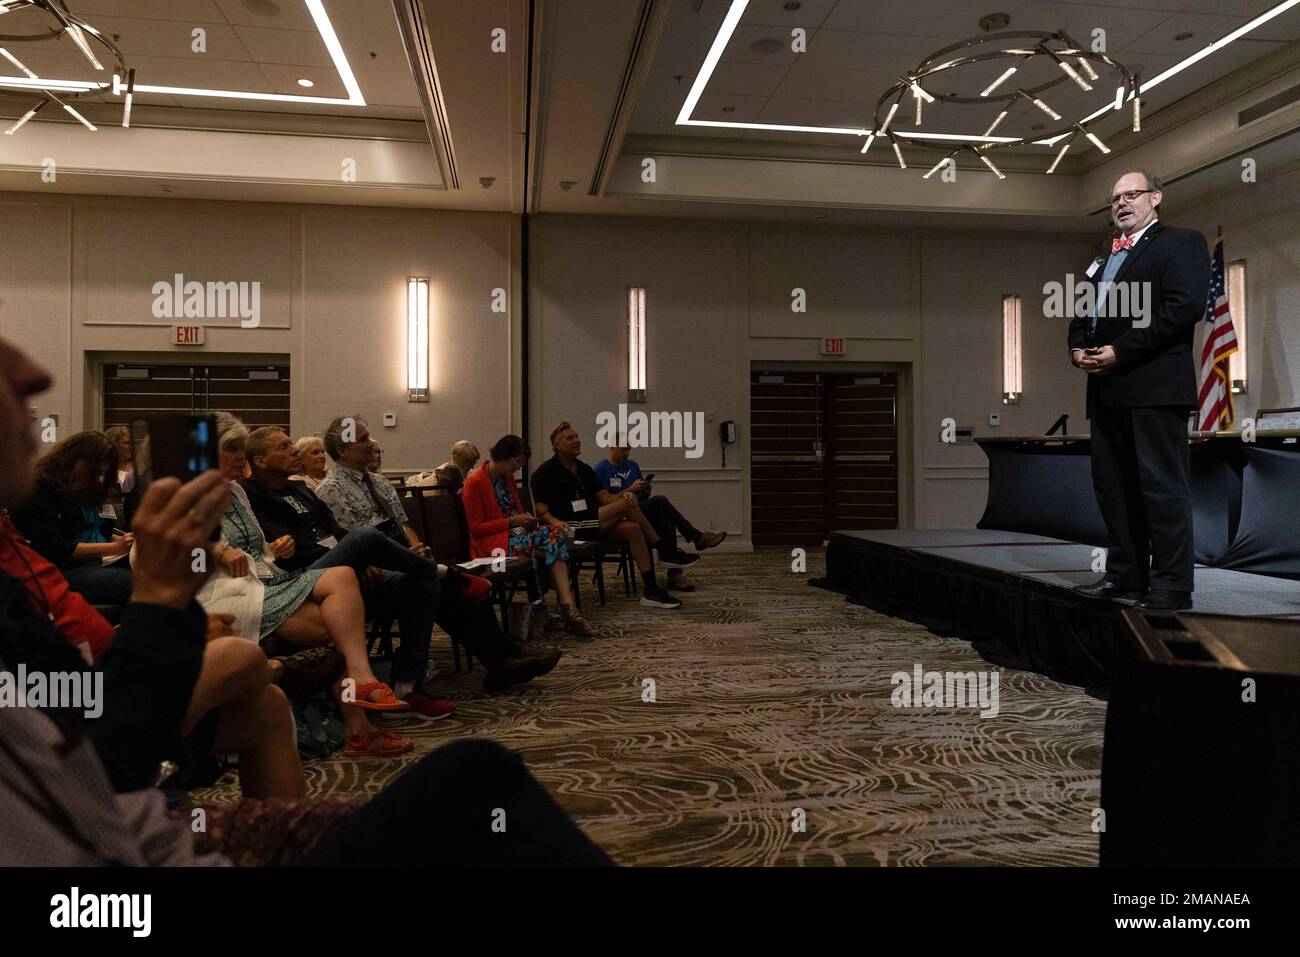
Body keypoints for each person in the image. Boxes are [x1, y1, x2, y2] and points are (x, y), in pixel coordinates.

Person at [0, 336, 610, 868]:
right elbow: (94, 763)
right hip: (132, 845)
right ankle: (386, 666)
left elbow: (78, 734)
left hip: (145, 807)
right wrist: (163, 601)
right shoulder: (263, 492)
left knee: (309, 658)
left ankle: (396, 668)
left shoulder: (278, 494)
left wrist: (174, 613)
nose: (33, 372)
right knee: (478, 776)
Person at [1, 509, 303, 799]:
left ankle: (283, 848)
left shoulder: (8, 533)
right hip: (79, 724)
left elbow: (55, 645)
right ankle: (145, 767)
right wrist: (160, 637)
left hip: (96, 681)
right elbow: (29, 688)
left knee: (268, 707)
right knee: (239, 656)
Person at [241, 426, 559, 692]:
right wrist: (358, 562)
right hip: (308, 580)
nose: (293, 451)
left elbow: (366, 529)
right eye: (284, 447)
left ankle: (486, 663)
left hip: (365, 564)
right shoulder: (257, 495)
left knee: (426, 582)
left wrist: (409, 551)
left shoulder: (302, 491)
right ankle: (485, 626)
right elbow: (297, 548)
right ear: (261, 460)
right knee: (368, 541)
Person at [202, 413, 419, 754]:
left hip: (264, 582)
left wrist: (271, 550)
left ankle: (362, 679)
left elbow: (257, 552)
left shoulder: (234, 493)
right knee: (332, 624)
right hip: (223, 595)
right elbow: (156, 548)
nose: (240, 457)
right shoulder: (184, 494)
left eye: (241, 448)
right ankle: (359, 730)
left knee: (343, 575)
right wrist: (218, 551)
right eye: (231, 448)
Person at [1068, 169, 1211, 612]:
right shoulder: (1102, 256)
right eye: (1115, 199)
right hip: (1106, 391)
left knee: (1161, 490)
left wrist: (1119, 351)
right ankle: (1125, 577)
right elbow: (1082, 313)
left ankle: (1172, 586)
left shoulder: (1181, 242)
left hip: (1155, 388)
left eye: (1132, 195)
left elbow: (1182, 309)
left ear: (1156, 198)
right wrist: (1076, 348)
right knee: (1114, 489)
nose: (1122, 204)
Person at [530, 422, 682, 609]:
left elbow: (608, 499)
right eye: (570, 438)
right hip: (572, 526)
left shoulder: (583, 469)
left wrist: (626, 493)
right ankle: (663, 549)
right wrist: (557, 523)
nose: (577, 440)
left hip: (594, 520)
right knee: (630, 505)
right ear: (556, 446)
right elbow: (540, 510)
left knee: (633, 528)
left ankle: (650, 589)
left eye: (577, 436)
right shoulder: (545, 472)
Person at [463, 434, 596, 636]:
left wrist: (528, 521)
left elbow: (516, 512)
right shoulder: (475, 482)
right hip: (492, 543)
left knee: (554, 534)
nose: (518, 468)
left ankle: (566, 605)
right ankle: (557, 607)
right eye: (517, 462)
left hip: (514, 534)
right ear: (504, 456)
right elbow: (476, 528)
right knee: (540, 544)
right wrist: (511, 522)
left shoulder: (506, 478)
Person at [10, 431, 133, 606]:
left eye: (103, 473)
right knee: (134, 584)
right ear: (76, 461)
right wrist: (114, 547)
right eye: (96, 471)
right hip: (62, 569)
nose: (100, 478)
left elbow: (99, 531)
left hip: (96, 562)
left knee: (155, 572)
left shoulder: (87, 488)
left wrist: (127, 542)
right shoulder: (40, 489)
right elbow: (54, 548)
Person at [594, 443, 726, 592]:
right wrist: (630, 489)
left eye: (629, 449)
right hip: (618, 516)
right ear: (612, 447)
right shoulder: (600, 470)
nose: (627, 453)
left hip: (639, 510)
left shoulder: (632, 465)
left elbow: (642, 496)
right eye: (623, 449)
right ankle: (697, 538)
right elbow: (606, 501)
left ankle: (675, 575)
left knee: (666, 522)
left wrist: (644, 489)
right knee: (660, 501)